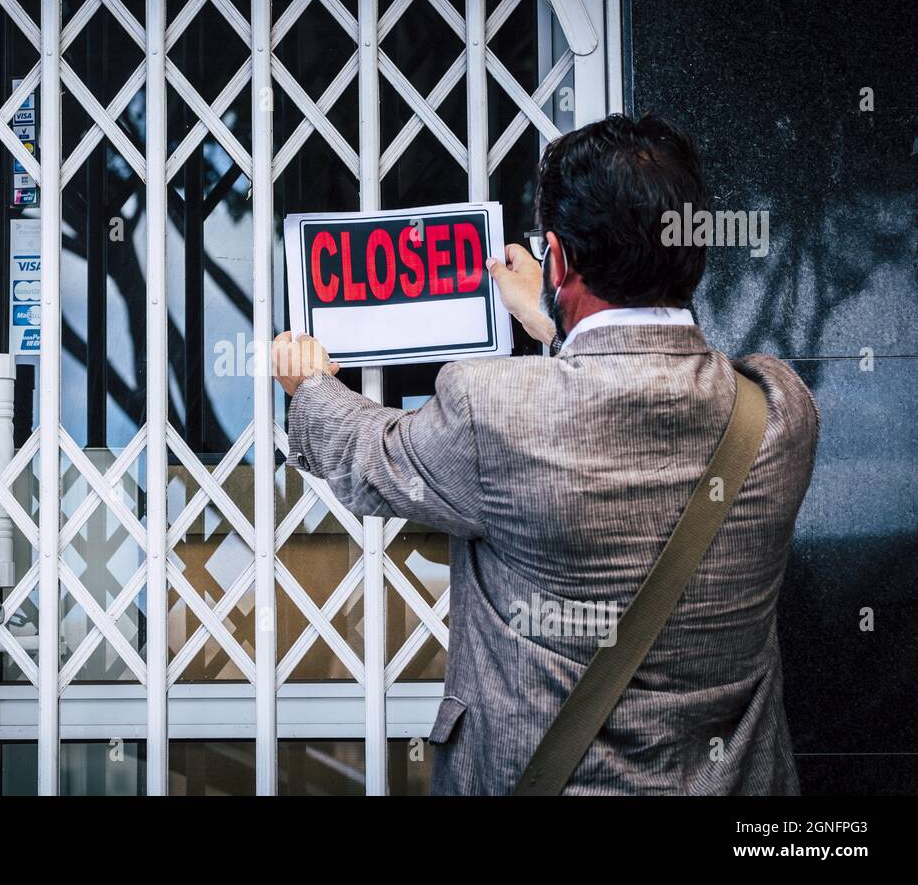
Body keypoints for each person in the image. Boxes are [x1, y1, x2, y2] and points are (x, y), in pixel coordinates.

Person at [271, 113, 819, 795]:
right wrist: (556, 320)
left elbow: (373, 456)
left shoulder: (492, 411)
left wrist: (311, 387)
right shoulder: (778, 413)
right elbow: (648, 399)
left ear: (556, 259)